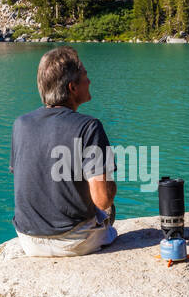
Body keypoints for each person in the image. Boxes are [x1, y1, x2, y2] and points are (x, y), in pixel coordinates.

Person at [10, 46, 118, 256]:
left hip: (28, 240)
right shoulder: (89, 126)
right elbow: (102, 200)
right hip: (74, 240)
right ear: (72, 87)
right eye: (85, 76)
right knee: (108, 209)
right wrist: (109, 179)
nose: (90, 81)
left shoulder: (20, 124)